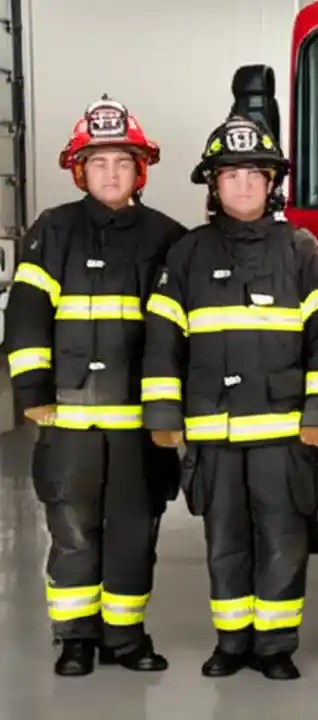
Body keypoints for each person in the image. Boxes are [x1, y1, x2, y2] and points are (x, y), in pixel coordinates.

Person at [142, 115, 318, 681]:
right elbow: (163, 339)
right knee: (225, 542)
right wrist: (163, 413)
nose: (245, 185)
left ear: (272, 182)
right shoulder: (186, 254)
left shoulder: (300, 250)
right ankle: (232, 642)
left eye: (255, 174)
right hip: (213, 432)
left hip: (284, 432)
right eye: (232, 175)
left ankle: (275, 646)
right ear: (214, 185)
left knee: (282, 539)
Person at [5, 95, 184, 676]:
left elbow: (180, 330)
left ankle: (125, 637)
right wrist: (33, 394)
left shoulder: (168, 237)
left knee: (135, 530)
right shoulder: (52, 230)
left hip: (137, 420)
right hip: (69, 419)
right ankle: (76, 638)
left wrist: (171, 410)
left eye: (122, 163)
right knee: (74, 530)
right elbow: (27, 311)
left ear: (140, 171)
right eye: (99, 162)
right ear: (80, 170)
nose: (111, 173)